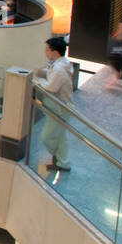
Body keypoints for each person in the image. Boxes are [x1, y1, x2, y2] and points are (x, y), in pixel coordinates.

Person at [33, 37, 76, 173]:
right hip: (61, 107)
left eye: (47, 50)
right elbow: (53, 77)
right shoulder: (61, 64)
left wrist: (38, 81)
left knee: (47, 136)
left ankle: (58, 158)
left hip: (59, 109)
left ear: (55, 51)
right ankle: (63, 163)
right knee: (60, 136)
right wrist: (43, 73)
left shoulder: (58, 68)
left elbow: (51, 87)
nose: (45, 52)